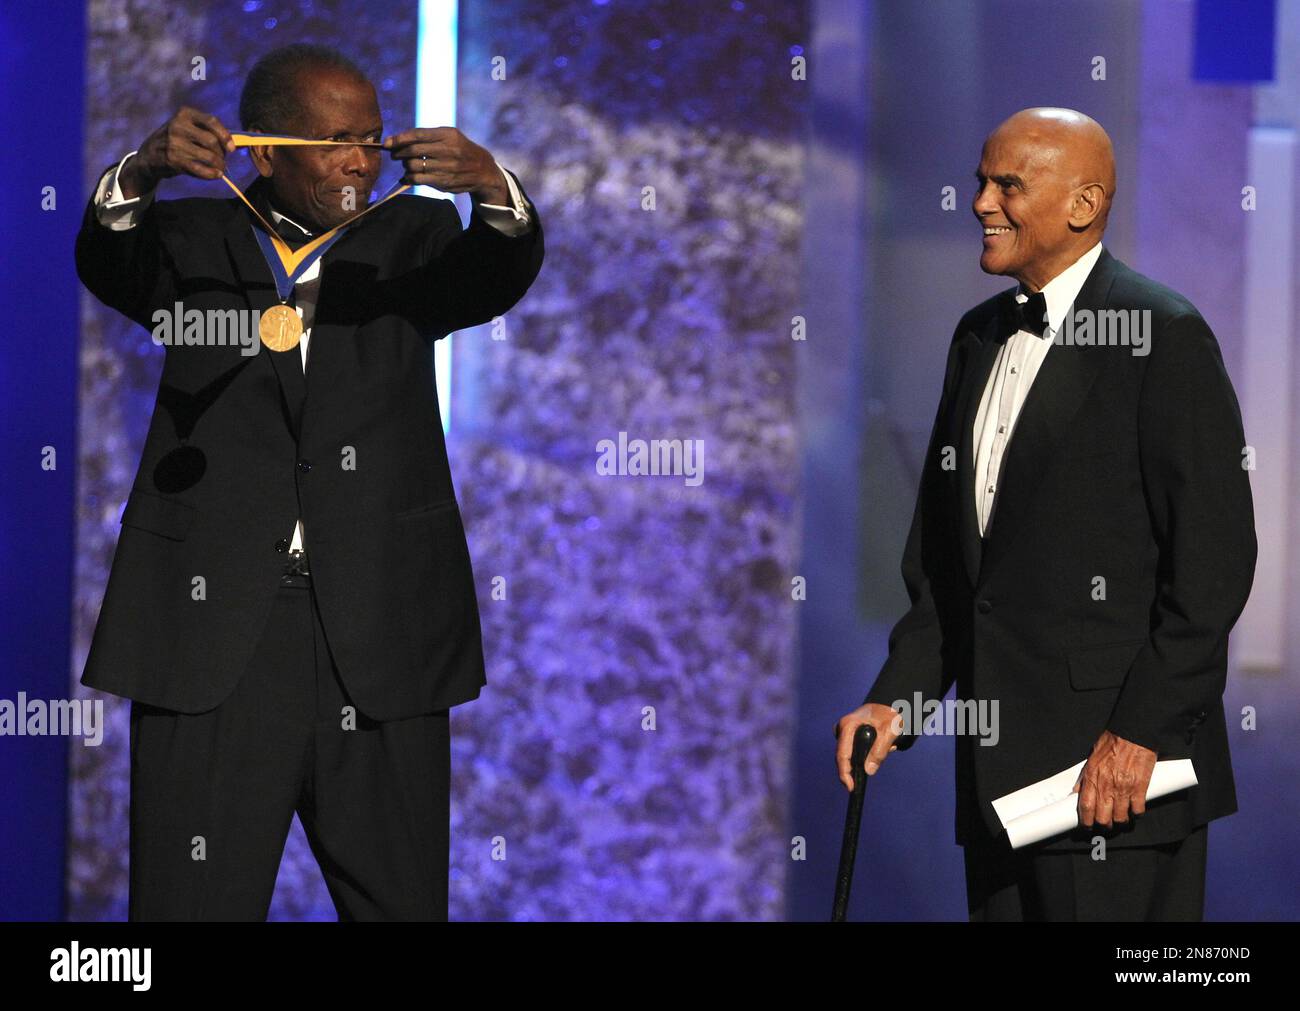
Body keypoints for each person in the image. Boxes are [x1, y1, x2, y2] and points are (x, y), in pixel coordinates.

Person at [75, 43, 544, 920]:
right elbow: (109, 259)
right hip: (214, 638)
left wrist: (490, 187)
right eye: (335, 142)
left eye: (370, 138)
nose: (360, 161)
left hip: (378, 637)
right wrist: (142, 168)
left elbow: (494, 273)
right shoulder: (192, 241)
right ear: (264, 150)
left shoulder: (414, 241)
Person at [833, 107, 1256, 921]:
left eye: (1008, 185)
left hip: (1114, 786)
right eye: (980, 182)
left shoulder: (1161, 334)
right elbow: (953, 568)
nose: (981, 203)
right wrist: (898, 697)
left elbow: (1214, 562)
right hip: (997, 789)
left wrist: (1143, 731)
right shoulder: (976, 337)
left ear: (1083, 204)